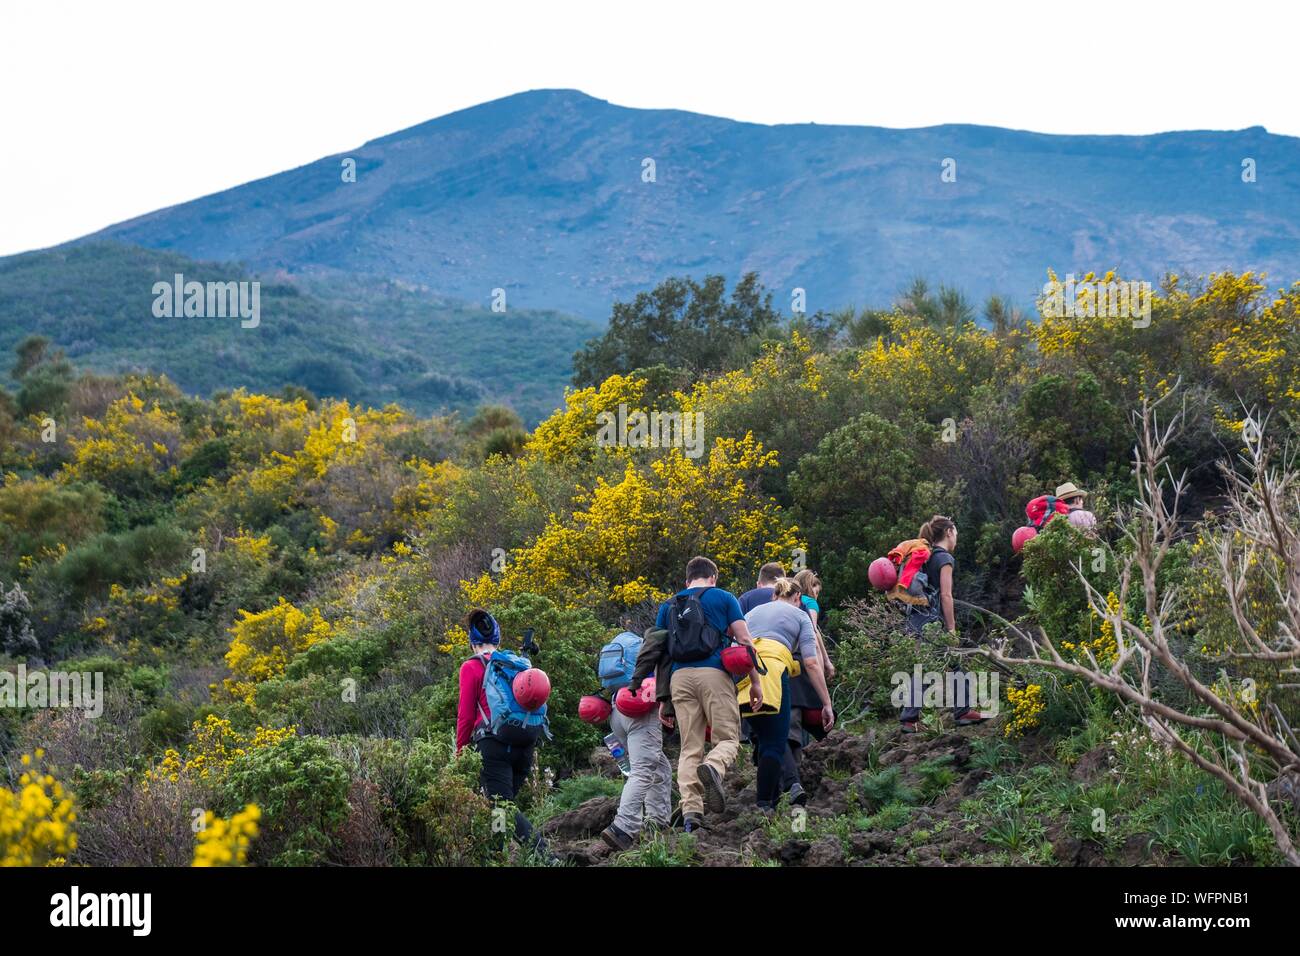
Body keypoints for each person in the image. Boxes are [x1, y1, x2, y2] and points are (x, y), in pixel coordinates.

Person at [654, 556, 763, 832]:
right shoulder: (723, 597)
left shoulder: (668, 605)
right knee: (727, 738)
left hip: (679, 679)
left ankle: (691, 814)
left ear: (687, 579)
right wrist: (755, 683)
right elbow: (745, 641)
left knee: (689, 748)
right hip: (714, 674)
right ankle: (714, 766)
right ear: (713, 577)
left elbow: (659, 654)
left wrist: (662, 698)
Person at [455, 608, 553, 858]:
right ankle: (494, 857)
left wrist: (460, 753)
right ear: (498, 640)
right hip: (524, 745)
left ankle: (545, 856)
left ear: (471, 642)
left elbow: (466, 717)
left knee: (502, 806)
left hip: (493, 746)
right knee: (498, 808)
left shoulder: (471, 667)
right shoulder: (516, 665)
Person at [743, 578, 834, 811]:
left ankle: (770, 803)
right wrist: (826, 703)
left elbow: (737, 645)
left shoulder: (752, 613)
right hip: (773, 673)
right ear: (797, 598)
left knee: (764, 739)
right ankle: (769, 802)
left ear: (774, 595)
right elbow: (812, 663)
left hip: (746, 678)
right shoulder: (801, 615)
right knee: (776, 740)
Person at [898, 517, 990, 732]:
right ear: (949, 532)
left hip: (916, 618)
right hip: (932, 621)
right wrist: (951, 628)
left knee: (944, 664)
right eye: (955, 532)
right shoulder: (944, 558)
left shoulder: (925, 556)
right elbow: (946, 596)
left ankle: (956, 711)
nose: (956, 536)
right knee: (941, 664)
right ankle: (914, 718)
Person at [598, 632, 674, 851]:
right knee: (642, 771)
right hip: (640, 712)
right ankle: (623, 827)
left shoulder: (620, 645)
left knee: (660, 768)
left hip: (617, 711)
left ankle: (657, 823)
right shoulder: (653, 647)